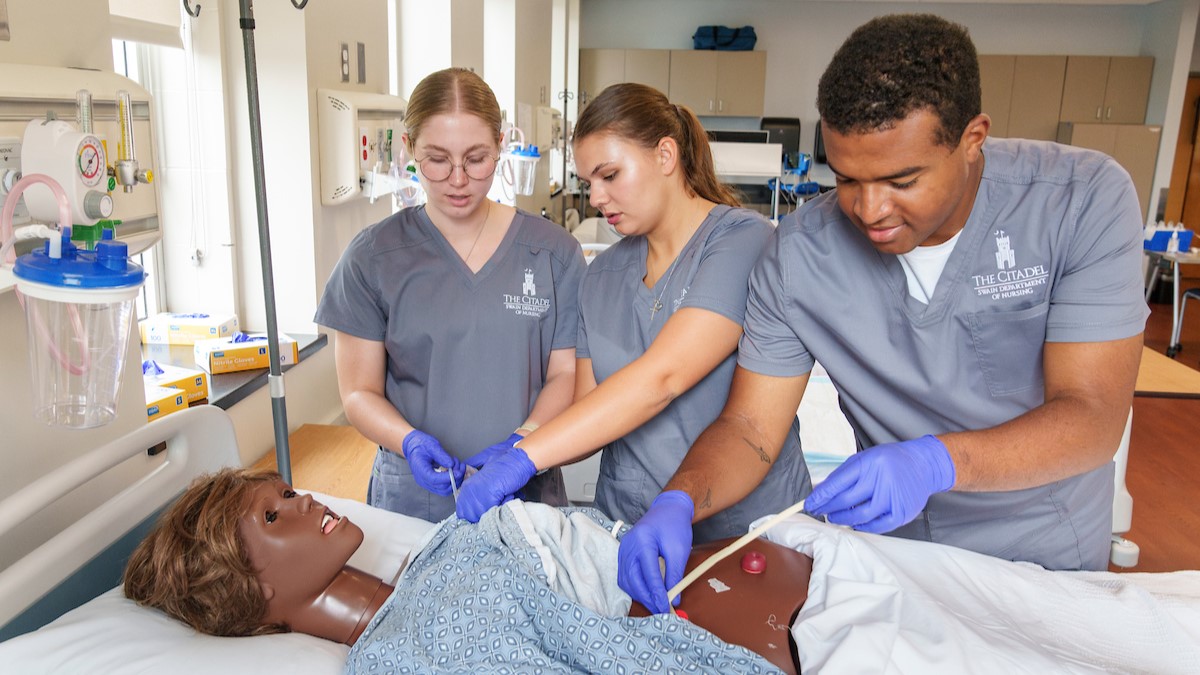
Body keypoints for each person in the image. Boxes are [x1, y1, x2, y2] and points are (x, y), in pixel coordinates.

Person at [618, 13, 1149, 614]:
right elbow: (750, 429)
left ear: (973, 138)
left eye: (902, 179)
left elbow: (1093, 416)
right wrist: (681, 500)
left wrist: (934, 461)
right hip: (897, 554)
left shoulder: (1079, 200)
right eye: (846, 178)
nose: (869, 209)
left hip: (1044, 553)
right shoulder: (799, 256)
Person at [453, 83, 811, 546]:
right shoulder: (601, 275)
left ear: (666, 155)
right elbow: (589, 406)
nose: (597, 197)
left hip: (743, 529)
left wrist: (527, 457)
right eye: (587, 183)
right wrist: (524, 441)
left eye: (610, 175)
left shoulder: (744, 243)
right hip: (629, 521)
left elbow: (662, 377)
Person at [122, 468, 782, 672]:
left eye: (287, 492)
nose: (306, 503)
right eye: (275, 517)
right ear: (254, 591)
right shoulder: (401, 652)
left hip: (746, 587)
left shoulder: (438, 554)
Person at [314, 67, 586, 522]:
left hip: (525, 497)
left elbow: (565, 375)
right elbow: (358, 392)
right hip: (413, 501)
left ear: (500, 144)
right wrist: (407, 440)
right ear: (408, 147)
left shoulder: (553, 253)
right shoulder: (374, 257)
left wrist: (525, 442)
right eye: (437, 159)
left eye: (476, 158)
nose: (458, 179)